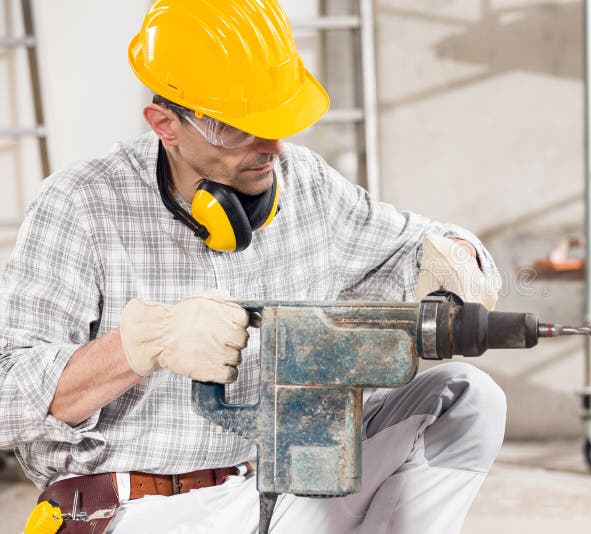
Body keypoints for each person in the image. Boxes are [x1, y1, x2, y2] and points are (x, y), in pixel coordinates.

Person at [0, 1, 506, 532]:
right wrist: (142, 345)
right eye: (238, 128)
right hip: (140, 510)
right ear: (166, 125)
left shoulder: (305, 184)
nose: (271, 147)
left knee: (467, 399)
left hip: (276, 487)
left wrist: (457, 260)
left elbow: (421, 246)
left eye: (276, 120)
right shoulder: (81, 204)